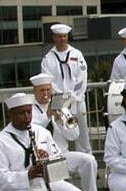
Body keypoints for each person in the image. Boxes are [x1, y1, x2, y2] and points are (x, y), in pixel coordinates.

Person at [30, 73, 99, 191]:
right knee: (59, 178)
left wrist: (61, 123)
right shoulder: (30, 110)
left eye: (48, 90)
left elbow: (74, 136)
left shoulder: (61, 108)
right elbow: (33, 131)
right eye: (42, 90)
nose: (45, 93)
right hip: (43, 160)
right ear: (35, 91)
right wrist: (47, 116)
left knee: (89, 161)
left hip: (62, 154)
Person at [39, 23, 91, 153]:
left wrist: (74, 95)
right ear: (54, 38)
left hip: (77, 100)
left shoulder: (77, 54)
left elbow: (82, 76)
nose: (62, 39)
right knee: (60, 136)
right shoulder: (48, 58)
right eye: (59, 37)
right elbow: (48, 81)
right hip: (58, 102)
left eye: (64, 36)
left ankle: (87, 162)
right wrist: (62, 95)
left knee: (83, 135)